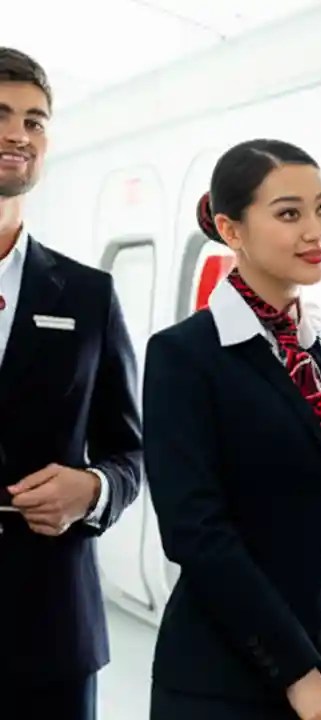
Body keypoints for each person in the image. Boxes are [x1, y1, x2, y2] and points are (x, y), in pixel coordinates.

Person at [142, 139, 321, 720]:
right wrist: (295, 671)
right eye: (289, 213)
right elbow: (195, 531)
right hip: (222, 679)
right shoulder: (185, 356)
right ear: (232, 230)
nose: (316, 230)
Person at [0, 47, 144, 720]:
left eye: (34, 120)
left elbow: (133, 449)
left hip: (51, 630)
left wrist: (92, 488)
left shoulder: (87, 293)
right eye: (0, 115)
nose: (17, 135)